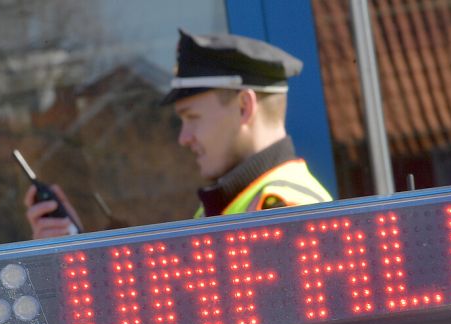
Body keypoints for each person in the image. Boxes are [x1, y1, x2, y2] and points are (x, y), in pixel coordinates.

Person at [25, 29, 333, 239]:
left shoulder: (285, 211)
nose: (184, 138)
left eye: (193, 118)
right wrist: (76, 247)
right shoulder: (227, 208)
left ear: (243, 107)